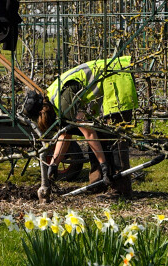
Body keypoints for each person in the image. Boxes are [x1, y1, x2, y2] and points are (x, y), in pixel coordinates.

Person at [22, 56, 138, 191]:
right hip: (111, 80)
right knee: (100, 137)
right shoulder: (52, 99)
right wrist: (54, 165)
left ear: (41, 114)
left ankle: (120, 189)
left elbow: (88, 132)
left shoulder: (62, 103)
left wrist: (104, 164)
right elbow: (65, 134)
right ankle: (97, 184)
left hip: (116, 79)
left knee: (115, 139)